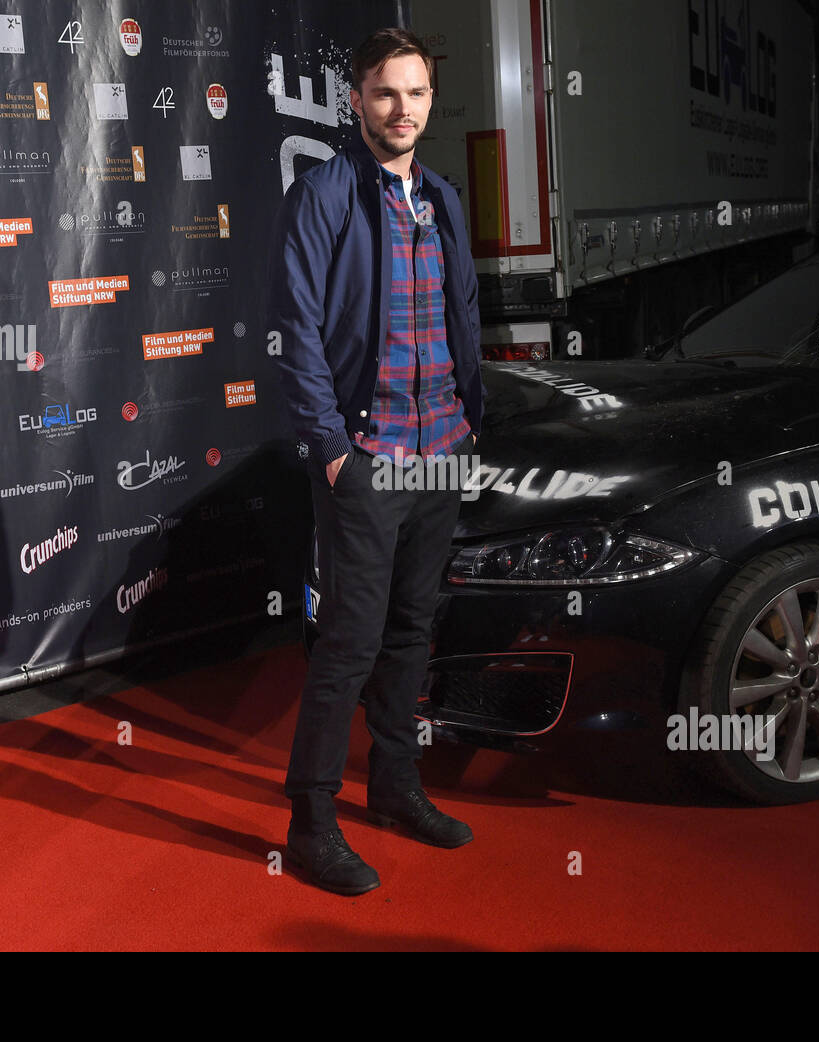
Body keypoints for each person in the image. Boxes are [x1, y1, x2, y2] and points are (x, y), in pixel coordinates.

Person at [265, 28, 484, 895]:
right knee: (348, 646)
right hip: (368, 458)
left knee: (409, 634)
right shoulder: (322, 196)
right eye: (386, 93)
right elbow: (298, 334)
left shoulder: (442, 197)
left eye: (418, 93)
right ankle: (312, 823)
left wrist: (470, 425)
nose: (402, 110)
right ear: (355, 98)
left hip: (440, 454)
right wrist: (332, 454)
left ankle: (395, 790)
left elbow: (462, 307)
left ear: (432, 101)